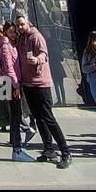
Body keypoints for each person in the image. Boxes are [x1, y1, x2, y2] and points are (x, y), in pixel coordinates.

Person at [15, 14, 70, 169]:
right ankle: (48, 150)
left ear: (28, 23)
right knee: (38, 118)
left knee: (48, 117)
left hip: (40, 83)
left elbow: (44, 53)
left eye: (22, 24)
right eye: (18, 25)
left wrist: (38, 59)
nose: (20, 27)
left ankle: (65, 152)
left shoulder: (36, 37)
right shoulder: (21, 39)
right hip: (28, 83)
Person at [0, 22, 35, 161]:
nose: (14, 34)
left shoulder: (8, 44)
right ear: (5, 32)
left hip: (8, 82)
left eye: (14, 31)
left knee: (13, 113)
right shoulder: (5, 46)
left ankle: (18, 142)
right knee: (14, 114)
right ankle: (17, 148)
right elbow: (9, 67)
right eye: (11, 31)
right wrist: (16, 86)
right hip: (9, 83)